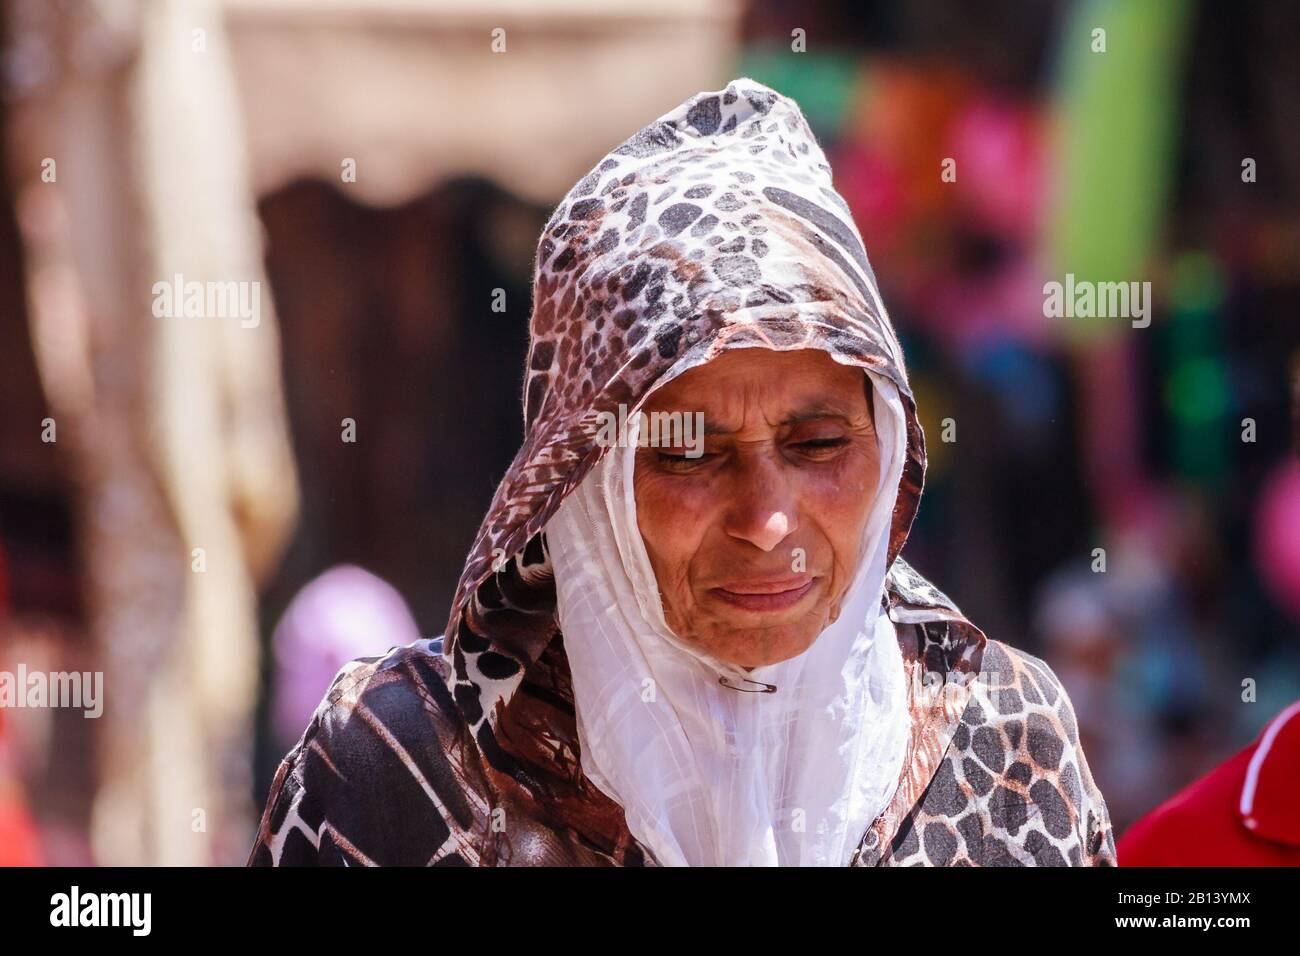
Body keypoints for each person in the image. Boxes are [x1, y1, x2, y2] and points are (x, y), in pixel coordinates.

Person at [248, 77, 1116, 866]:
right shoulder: (405, 778)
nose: (768, 521)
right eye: (689, 455)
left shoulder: (1003, 746)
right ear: (588, 480)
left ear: (888, 446)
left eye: (818, 445)